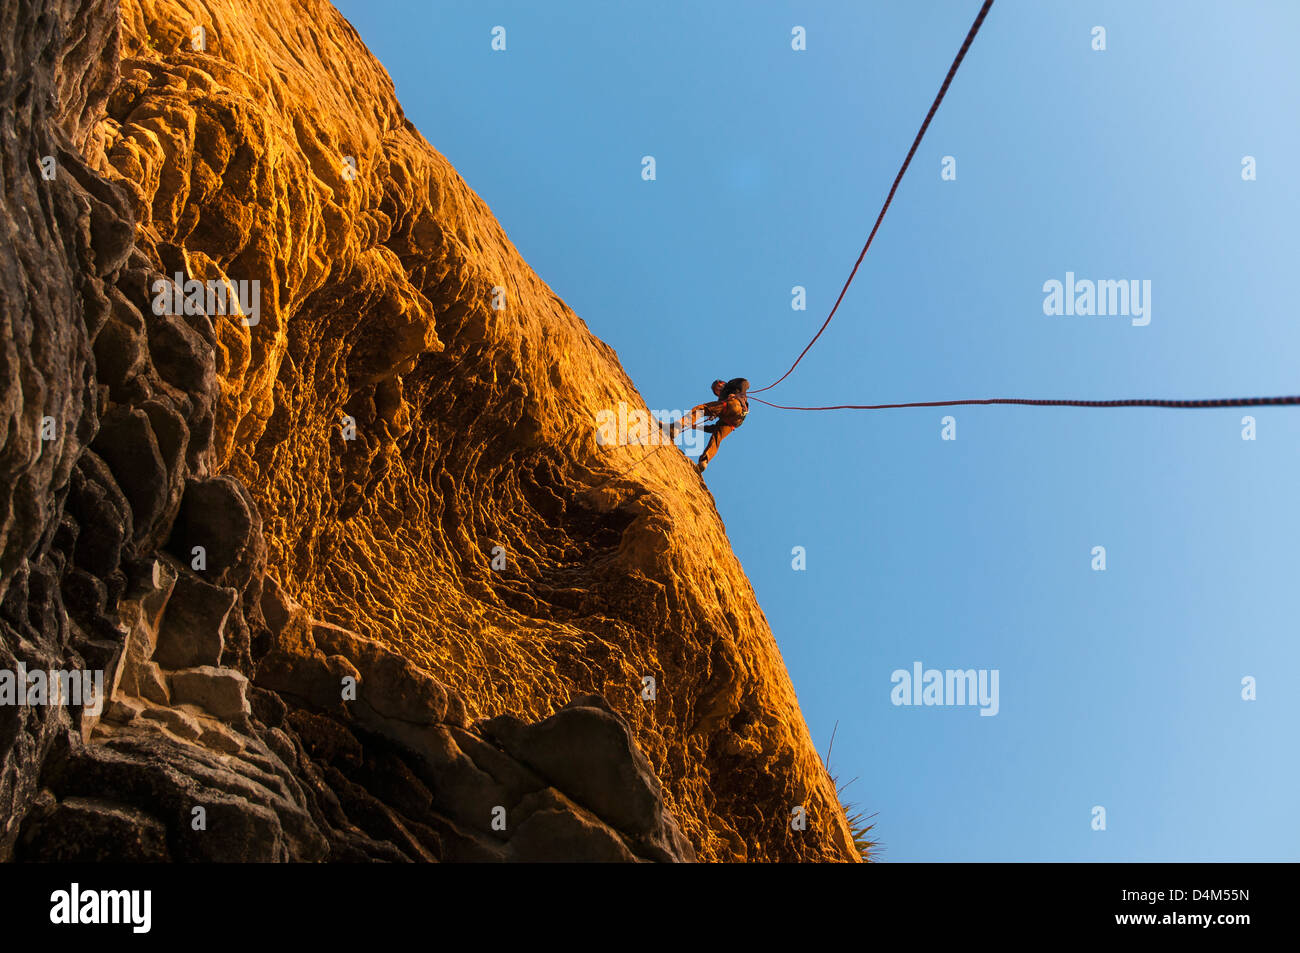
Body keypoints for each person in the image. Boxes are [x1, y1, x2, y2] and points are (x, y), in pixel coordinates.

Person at [669, 377, 750, 474]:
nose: (718, 389)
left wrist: (739, 393)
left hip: (735, 405)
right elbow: (714, 429)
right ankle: (704, 461)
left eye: (718, 386)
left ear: (722, 382)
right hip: (734, 420)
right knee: (717, 437)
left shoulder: (731, 385)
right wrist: (697, 426)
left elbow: (745, 383)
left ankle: (676, 427)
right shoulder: (722, 398)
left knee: (701, 409)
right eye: (716, 390)